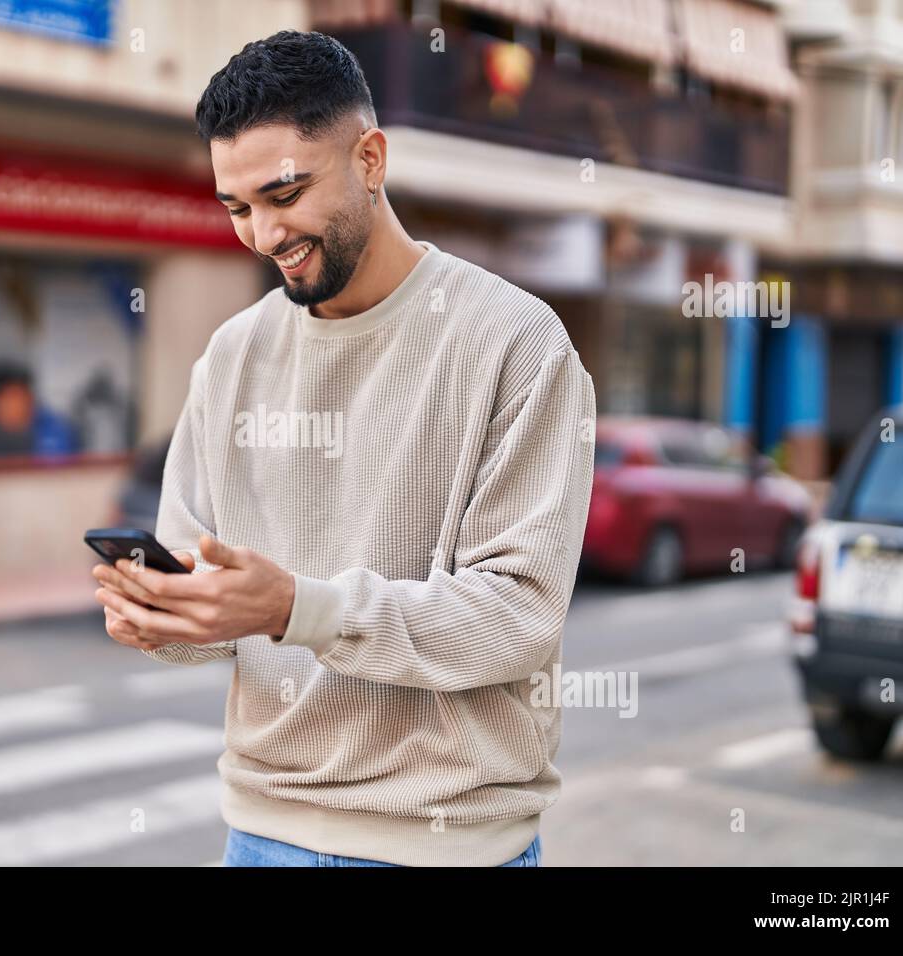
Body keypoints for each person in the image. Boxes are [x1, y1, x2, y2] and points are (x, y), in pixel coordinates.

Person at [91, 30, 595, 867]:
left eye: (285, 193)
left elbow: (517, 621)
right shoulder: (233, 356)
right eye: (237, 207)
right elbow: (215, 615)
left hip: (447, 848)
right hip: (260, 836)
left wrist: (297, 608)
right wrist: (162, 614)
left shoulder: (516, 342)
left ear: (369, 159)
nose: (261, 234)